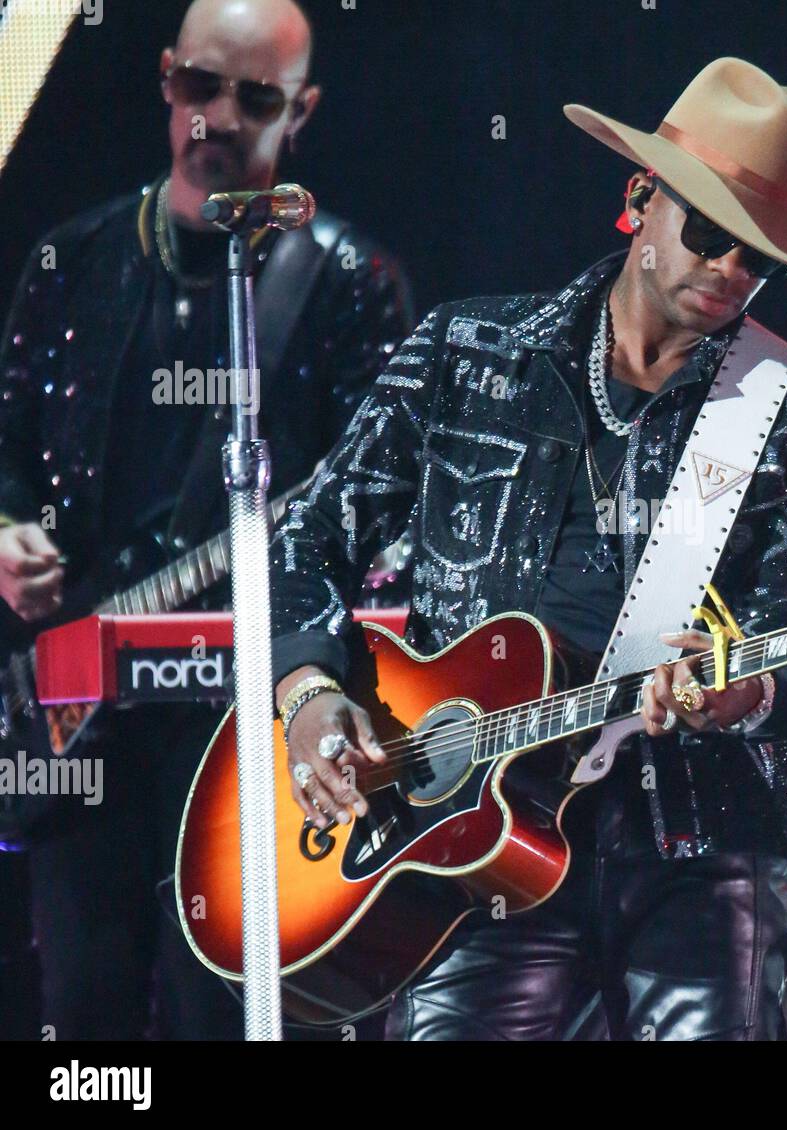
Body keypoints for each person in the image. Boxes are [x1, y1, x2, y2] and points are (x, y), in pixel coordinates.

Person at [270, 57, 787, 1041]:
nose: (729, 270)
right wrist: (306, 695)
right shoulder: (461, 354)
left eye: (758, 258)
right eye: (712, 233)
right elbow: (304, 539)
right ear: (640, 199)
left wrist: (744, 691)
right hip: (462, 840)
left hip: (701, 852)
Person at [0, 0, 413, 1039]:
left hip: (250, 715)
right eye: (200, 85)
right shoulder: (75, 261)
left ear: (301, 109)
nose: (219, 117)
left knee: (221, 1002)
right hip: (80, 701)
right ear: (165, 79)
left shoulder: (350, 283)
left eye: (255, 97)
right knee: (81, 1007)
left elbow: (388, 502)